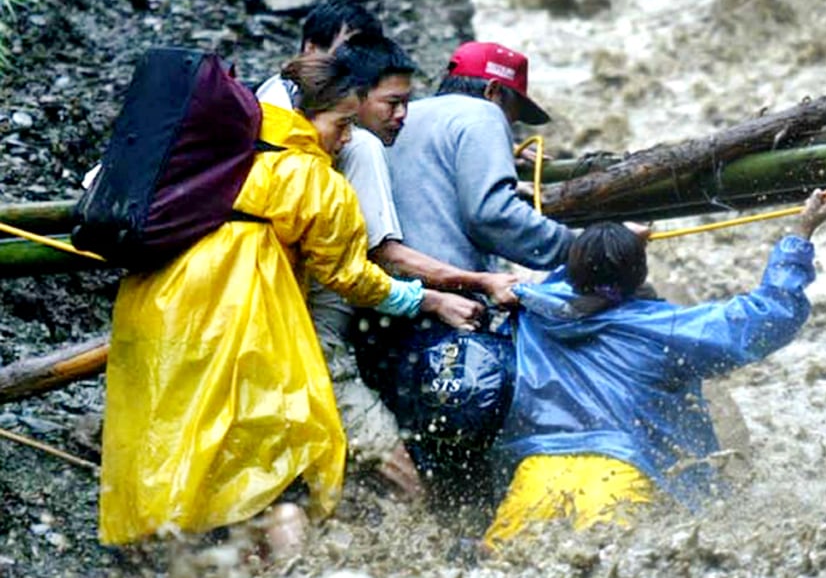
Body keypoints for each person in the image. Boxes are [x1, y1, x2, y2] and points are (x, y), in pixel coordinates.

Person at [98, 51, 446, 546]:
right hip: (246, 325)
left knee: (191, 452)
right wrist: (416, 298)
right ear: (307, 116)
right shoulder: (315, 180)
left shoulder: (218, 155)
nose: (347, 138)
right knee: (282, 471)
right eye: (342, 124)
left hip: (156, 307)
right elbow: (350, 276)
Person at [482, 189, 826, 549]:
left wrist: (610, 249)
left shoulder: (531, 310)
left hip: (537, 474)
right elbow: (767, 318)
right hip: (621, 476)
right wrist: (802, 233)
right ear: (639, 274)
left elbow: (571, 282)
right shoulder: (665, 330)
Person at [356, 41, 579, 511]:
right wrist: (576, 248)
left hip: (380, 312)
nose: (511, 125)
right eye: (514, 112)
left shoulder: (402, 119)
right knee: (468, 470)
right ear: (497, 92)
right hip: (444, 318)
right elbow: (491, 215)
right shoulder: (481, 116)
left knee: (421, 457)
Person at [308, 34, 519, 497]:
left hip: (325, 328)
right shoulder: (359, 147)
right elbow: (378, 258)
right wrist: (457, 290)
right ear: (354, 97)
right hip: (319, 340)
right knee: (401, 472)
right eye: (393, 103)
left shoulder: (302, 146)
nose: (404, 114)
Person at [256, 0, 383, 112]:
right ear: (311, 49)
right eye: (350, 49)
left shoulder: (388, 103)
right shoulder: (277, 106)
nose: (359, 61)